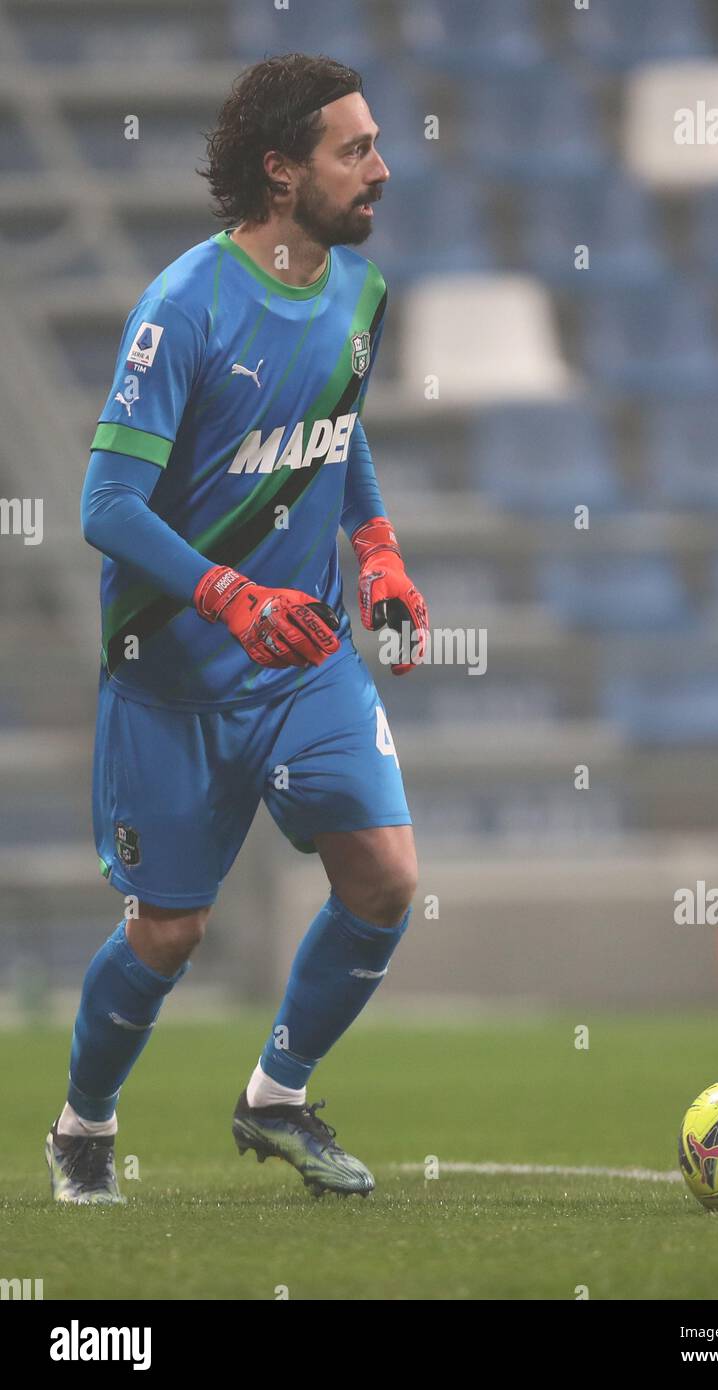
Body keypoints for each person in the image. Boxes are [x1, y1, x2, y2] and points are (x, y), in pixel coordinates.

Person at [45, 52, 428, 1204]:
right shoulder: (184, 308)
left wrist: (377, 552)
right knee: (169, 932)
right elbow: (103, 506)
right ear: (280, 172)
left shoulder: (355, 292)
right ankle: (83, 1126)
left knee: (384, 877)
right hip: (175, 674)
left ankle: (277, 1095)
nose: (381, 169)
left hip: (304, 661)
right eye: (352, 150)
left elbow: (334, 426)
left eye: (375, 144)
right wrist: (228, 594)